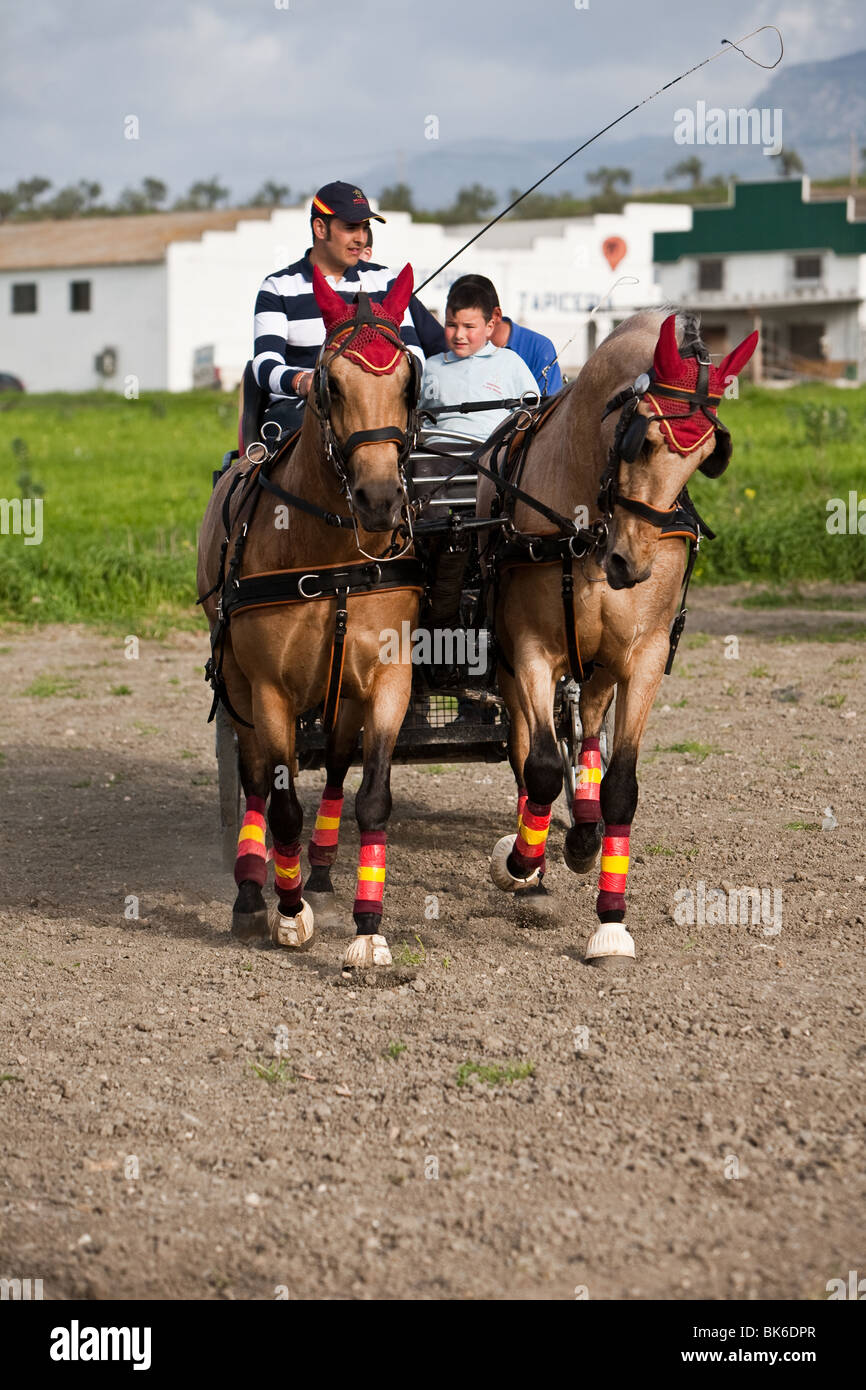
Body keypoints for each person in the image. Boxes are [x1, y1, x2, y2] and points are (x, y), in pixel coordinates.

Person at [251, 181, 444, 441]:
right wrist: (304, 382)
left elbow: (413, 350)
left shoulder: (384, 280)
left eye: (365, 228)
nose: (361, 238)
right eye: (351, 227)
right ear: (320, 228)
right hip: (299, 413)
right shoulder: (277, 287)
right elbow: (265, 364)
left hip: (379, 409)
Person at [420, 275, 539, 446]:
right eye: (451, 325)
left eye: (469, 327)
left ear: (489, 327)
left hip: (492, 451)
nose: (459, 335)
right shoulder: (430, 366)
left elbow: (532, 413)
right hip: (437, 452)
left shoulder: (510, 362)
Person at [448, 273, 563, 397]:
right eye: (453, 323)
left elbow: (549, 409)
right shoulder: (453, 347)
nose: (459, 334)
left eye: (469, 324)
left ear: (496, 316)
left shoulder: (538, 348)